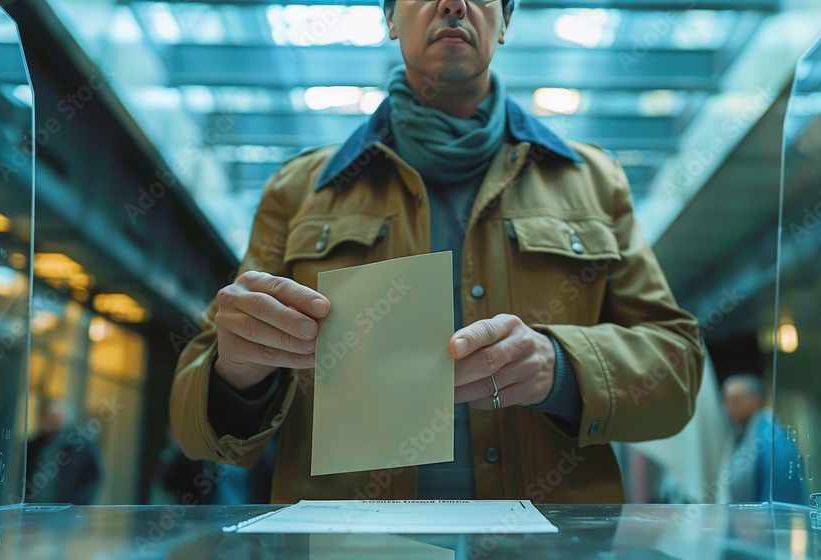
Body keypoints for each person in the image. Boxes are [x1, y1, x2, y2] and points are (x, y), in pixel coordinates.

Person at [170, 0, 703, 503]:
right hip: (354, 547)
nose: (452, 3)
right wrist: (235, 372)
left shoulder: (593, 181)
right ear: (390, 18)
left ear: (506, 18)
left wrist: (560, 367)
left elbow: (677, 372)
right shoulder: (298, 190)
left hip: (545, 544)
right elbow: (195, 429)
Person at [722, 374, 801, 503]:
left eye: (735, 401)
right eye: (726, 402)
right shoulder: (744, 433)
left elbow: (779, 499)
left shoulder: (772, 438)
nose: (729, 408)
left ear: (755, 401)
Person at [24, 399, 101, 504]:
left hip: (65, 509)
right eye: (44, 417)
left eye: (51, 417)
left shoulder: (80, 443)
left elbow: (92, 475)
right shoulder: (35, 444)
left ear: (60, 416)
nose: (47, 421)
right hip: (35, 506)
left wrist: (78, 504)